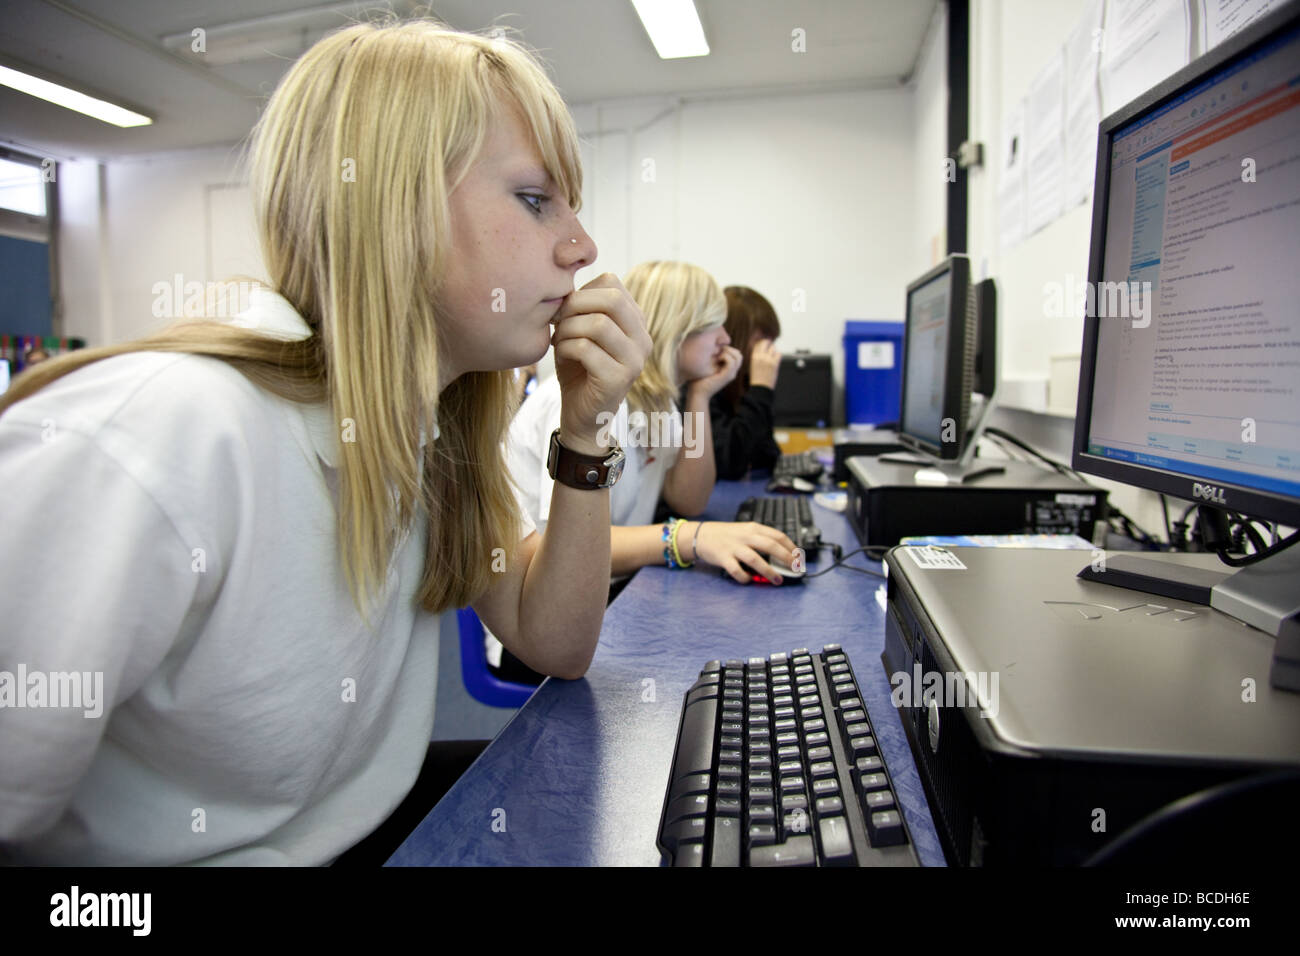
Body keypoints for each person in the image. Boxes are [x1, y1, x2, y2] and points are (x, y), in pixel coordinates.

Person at [0, 19, 651, 866]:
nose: (582, 246)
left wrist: (586, 429)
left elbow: (555, 641)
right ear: (393, 207)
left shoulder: (430, 430)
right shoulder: (158, 436)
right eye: (535, 200)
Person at [507, 261, 800, 596]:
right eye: (713, 324)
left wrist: (701, 396)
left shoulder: (659, 402)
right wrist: (690, 538)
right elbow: (565, 547)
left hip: (608, 590)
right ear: (676, 327)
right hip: (547, 607)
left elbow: (689, 500)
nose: (726, 338)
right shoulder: (587, 397)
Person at [711, 285, 784, 479]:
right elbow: (730, 462)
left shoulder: (742, 382)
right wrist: (761, 389)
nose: (768, 351)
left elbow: (769, 455)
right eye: (762, 340)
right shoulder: (706, 386)